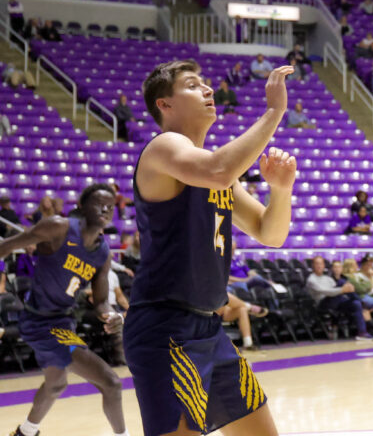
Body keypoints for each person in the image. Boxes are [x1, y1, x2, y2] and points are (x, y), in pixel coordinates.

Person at [123, 61, 297, 436]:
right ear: (164, 105)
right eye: (191, 85)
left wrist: (281, 190)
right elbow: (219, 170)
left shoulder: (215, 173)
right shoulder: (165, 147)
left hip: (208, 327)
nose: (207, 90)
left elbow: (271, 232)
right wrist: (274, 112)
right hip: (165, 328)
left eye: (205, 84)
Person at [0, 184, 127, 436]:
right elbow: (3, 248)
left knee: (56, 384)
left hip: (63, 322)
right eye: (99, 203)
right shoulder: (59, 228)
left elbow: (102, 302)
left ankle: (26, 432)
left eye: (110, 205)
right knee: (111, 382)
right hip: (39, 321)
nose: (106, 209)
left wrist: (111, 315)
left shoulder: (103, 254)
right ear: (82, 207)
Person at [305, 257, 373, 341]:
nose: (319, 266)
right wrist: (342, 289)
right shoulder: (311, 279)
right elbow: (326, 292)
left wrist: (344, 289)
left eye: (321, 264)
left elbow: (336, 291)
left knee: (355, 303)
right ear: (313, 266)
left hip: (336, 300)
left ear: (324, 265)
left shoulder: (327, 278)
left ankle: (362, 332)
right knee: (341, 283)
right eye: (317, 264)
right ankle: (363, 303)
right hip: (323, 304)